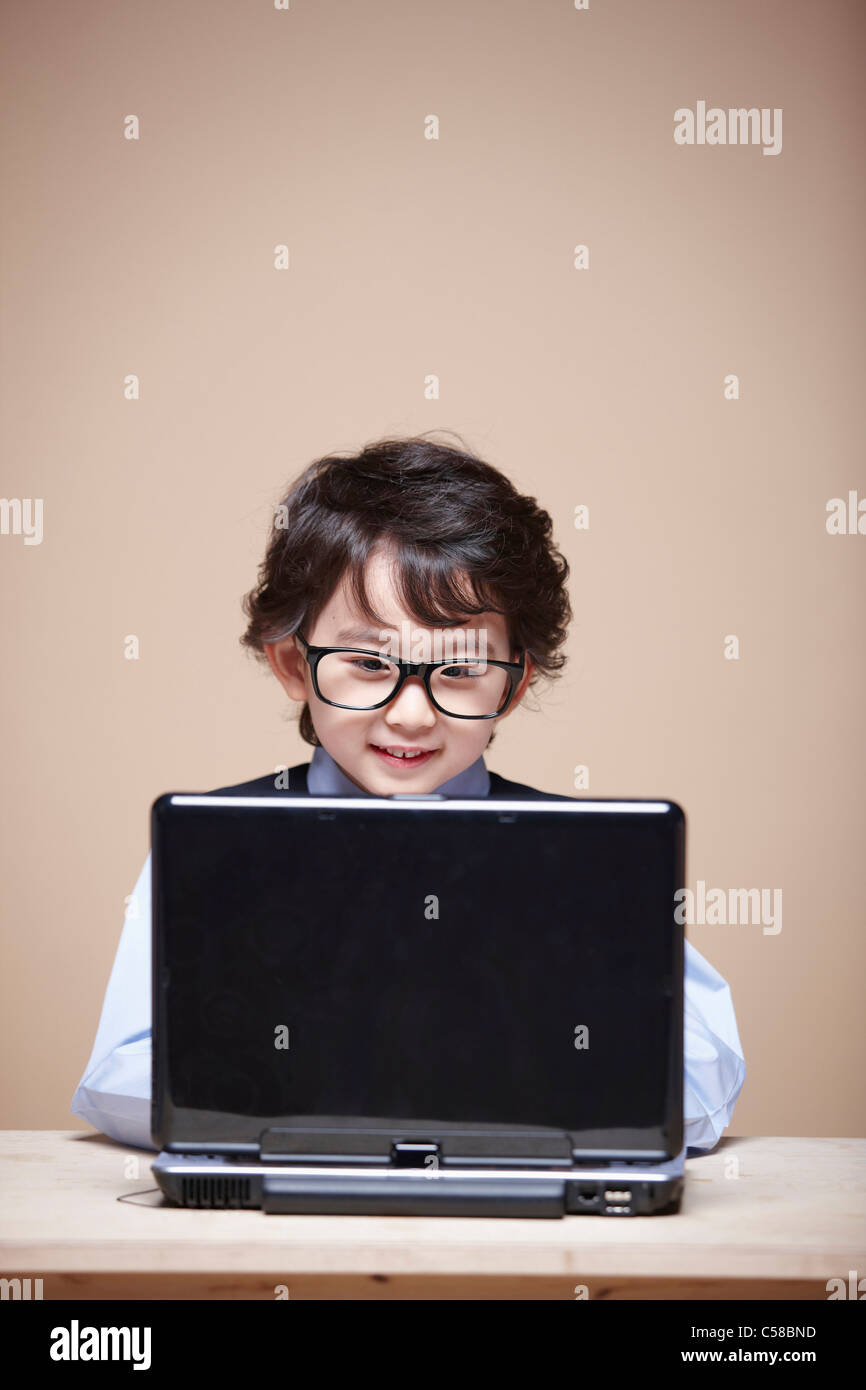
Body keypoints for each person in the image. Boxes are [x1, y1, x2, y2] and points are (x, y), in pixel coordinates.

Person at [71, 433, 746, 1154]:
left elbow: (703, 1091)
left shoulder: (587, 856)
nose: (412, 714)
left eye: (459, 670)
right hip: (279, 1223)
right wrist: (348, 1086)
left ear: (513, 683)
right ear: (292, 665)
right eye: (367, 662)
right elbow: (118, 1074)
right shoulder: (210, 847)